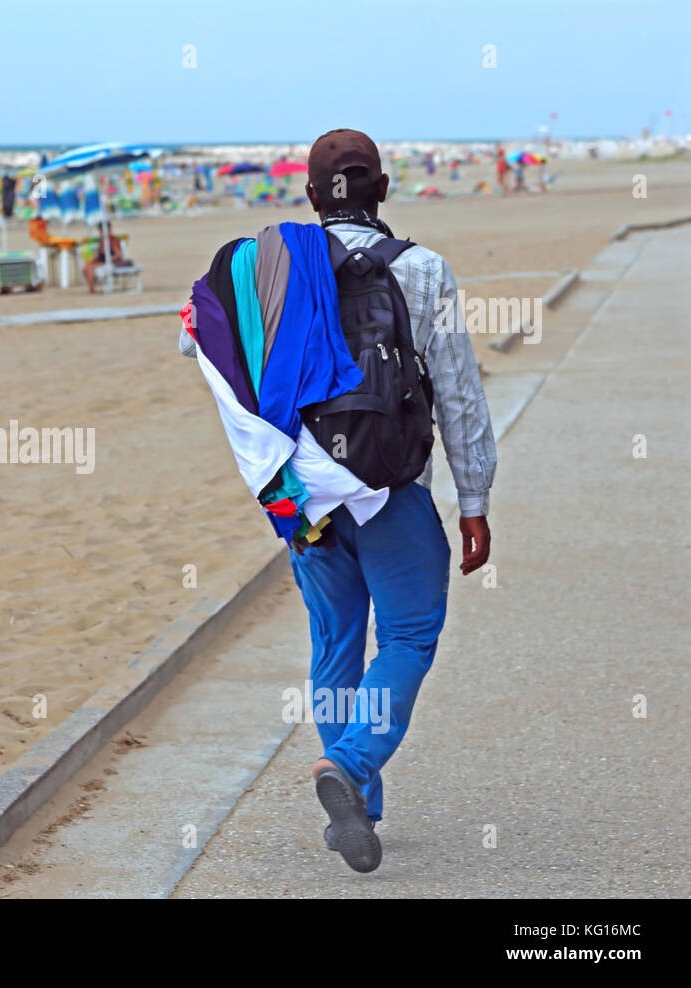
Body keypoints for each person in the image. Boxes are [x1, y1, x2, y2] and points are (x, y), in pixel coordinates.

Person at [292, 129, 496, 872]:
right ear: (382, 190)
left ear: (311, 196)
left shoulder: (274, 271)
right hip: (390, 488)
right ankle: (347, 768)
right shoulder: (422, 270)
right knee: (407, 639)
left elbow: (199, 344)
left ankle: (359, 809)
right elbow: (458, 392)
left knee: (335, 641)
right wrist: (473, 498)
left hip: (308, 496)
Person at [83, 219, 130, 292]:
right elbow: (99, 254)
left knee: (89, 268)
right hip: (103, 261)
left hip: (111, 263)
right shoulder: (103, 240)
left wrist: (110, 259)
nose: (100, 232)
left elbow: (118, 253)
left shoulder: (112, 239)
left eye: (100, 230)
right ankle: (92, 286)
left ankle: (91, 289)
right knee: (87, 267)